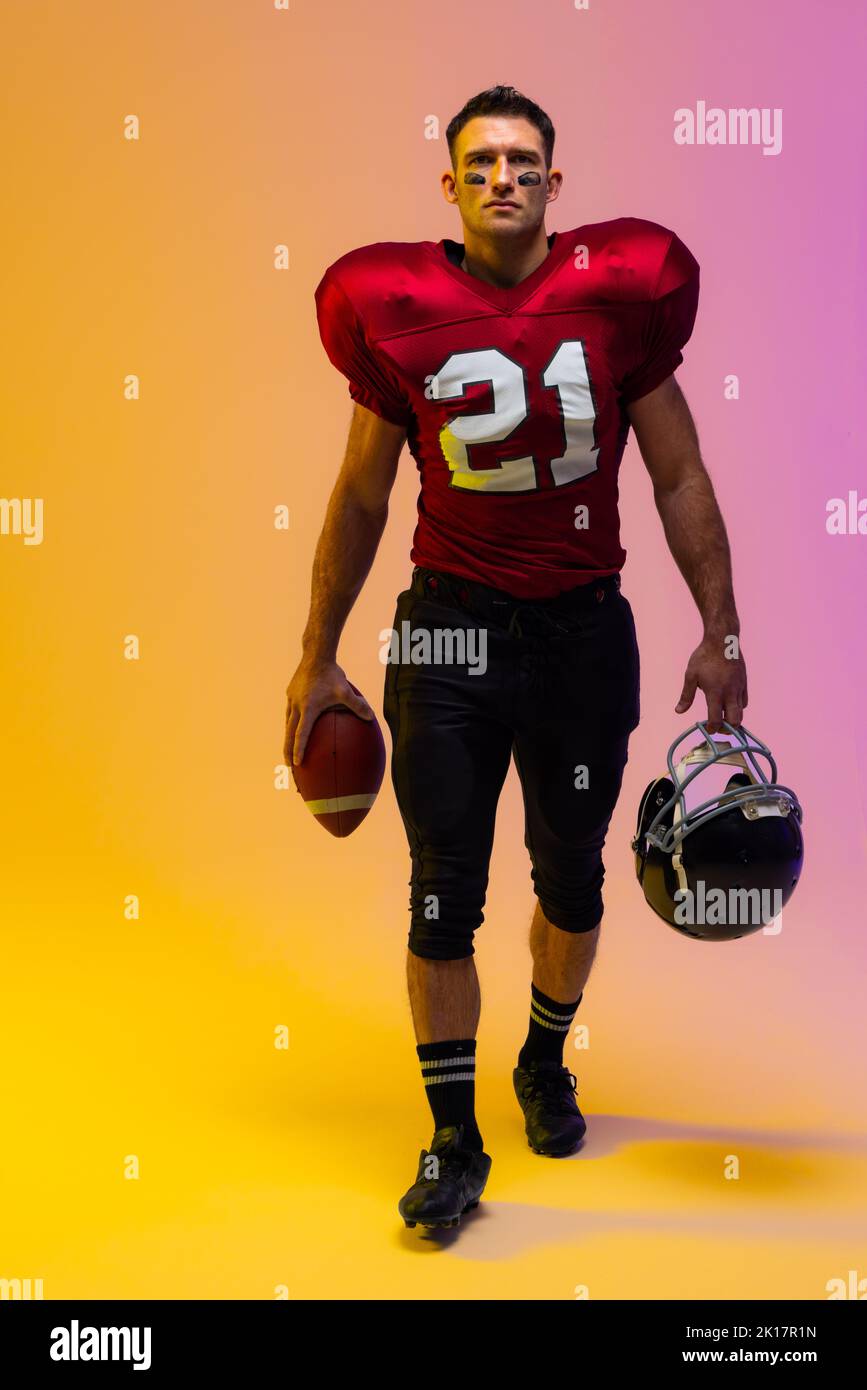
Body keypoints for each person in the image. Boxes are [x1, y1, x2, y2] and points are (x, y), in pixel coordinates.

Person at [284, 85, 747, 1230]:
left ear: (554, 180)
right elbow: (361, 490)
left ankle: (542, 1060)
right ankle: (451, 1136)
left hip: (584, 629)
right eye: (480, 162)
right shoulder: (392, 303)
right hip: (449, 627)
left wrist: (721, 628)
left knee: (574, 878)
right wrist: (314, 655)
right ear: (449, 184)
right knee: (440, 894)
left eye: (524, 160)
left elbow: (678, 475)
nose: (503, 176)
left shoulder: (622, 293)